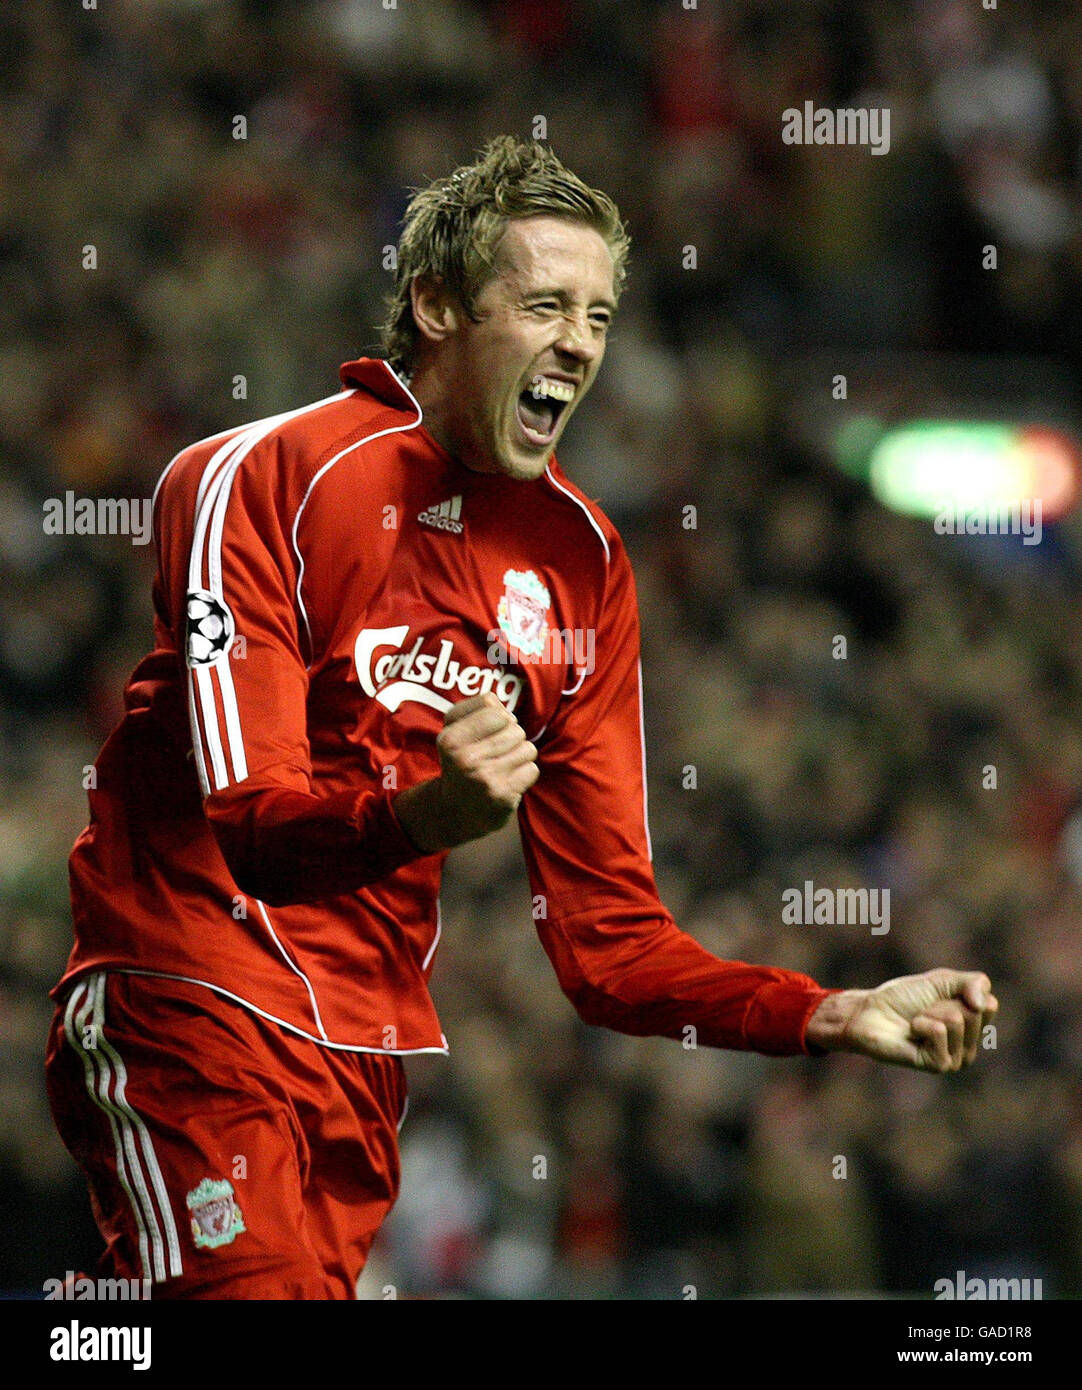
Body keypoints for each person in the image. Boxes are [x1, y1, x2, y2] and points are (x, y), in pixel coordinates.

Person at [45, 136, 998, 1300]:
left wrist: (828, 1009)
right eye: (544, 304)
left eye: (596, 315)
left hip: (362, 1060)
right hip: (185, 991)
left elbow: (611, 949)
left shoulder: (583, 564)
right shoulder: (257, 476)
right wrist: (427, 814)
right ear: (436, 306)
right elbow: (248, 826)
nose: (578, 344)